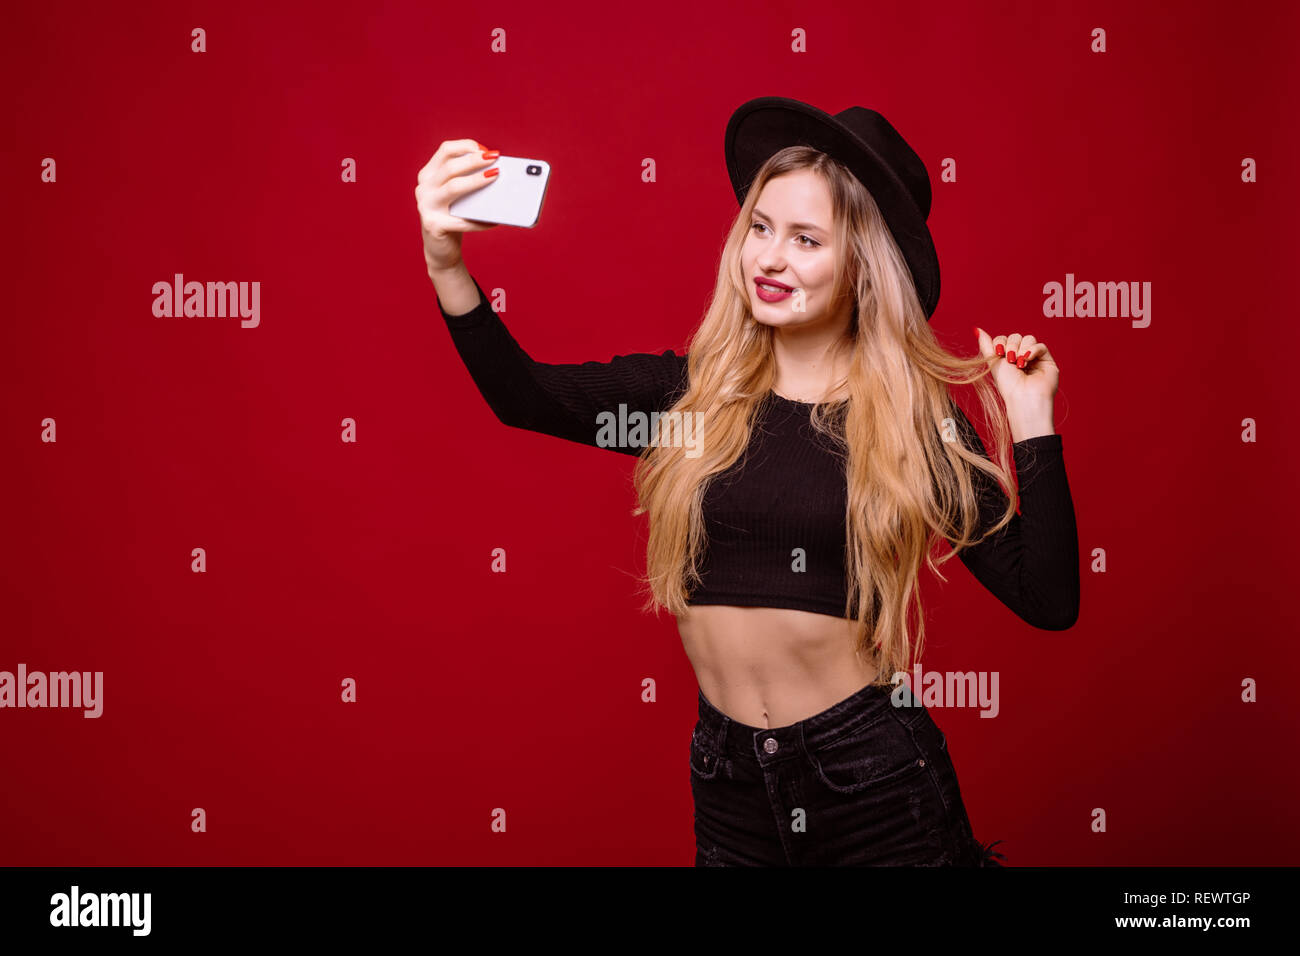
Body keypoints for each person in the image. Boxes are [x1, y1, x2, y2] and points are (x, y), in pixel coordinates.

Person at [414, 97, 1080, 866]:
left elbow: (1048, 599)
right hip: (728, 779)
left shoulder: (908, 422)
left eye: (805, 240)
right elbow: (523, 398)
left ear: (865, 267)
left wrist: (1033, 422)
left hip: (870, 779)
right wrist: (446, 262)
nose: (768, 258)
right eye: (760, 228)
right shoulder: (693, 400)